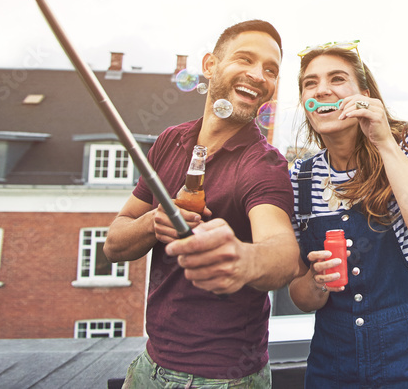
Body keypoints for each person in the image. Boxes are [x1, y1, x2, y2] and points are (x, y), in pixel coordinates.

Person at [104, 19, 299, 389]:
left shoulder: (263, 164)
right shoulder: (171, 140)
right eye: (245, 59)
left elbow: (284, 255)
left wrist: (241, 259)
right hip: (149, 364)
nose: (259, 75)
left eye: (270, 69)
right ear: (210, 66)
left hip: (223, 379)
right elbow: (114, 243)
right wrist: (153, 222)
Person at [287, 41, 408, 388]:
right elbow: (300, 296)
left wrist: (384, 142)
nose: (323, 89)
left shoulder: (407, 151)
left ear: (364, 94)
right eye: (310, 82)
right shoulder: (300, 177)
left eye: (337, 79)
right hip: (332, 364)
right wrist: (317, 282)